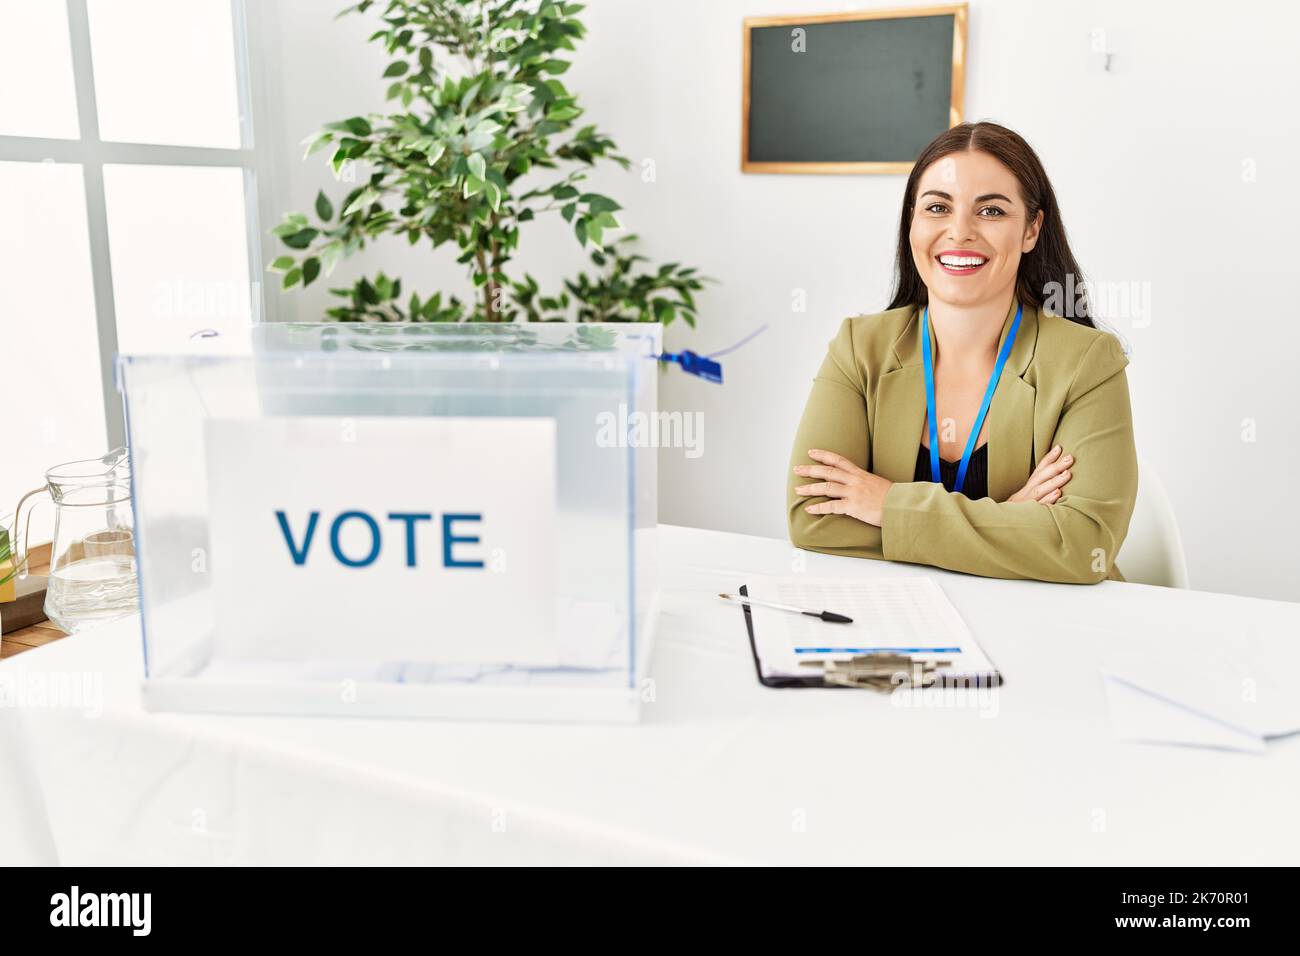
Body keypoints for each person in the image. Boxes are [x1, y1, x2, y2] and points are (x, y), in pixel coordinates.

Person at [787, 121, 1138, 584]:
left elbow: (1084, 544)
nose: (959, 232)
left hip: (1049, 634)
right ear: (912, 222)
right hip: (903, 627)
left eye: (991, 211)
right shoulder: (859, 347)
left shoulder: (1088, 360)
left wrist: (887, 505)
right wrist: (1008, 518)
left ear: (1032, 229)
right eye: (937, 207)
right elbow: (814, 519)